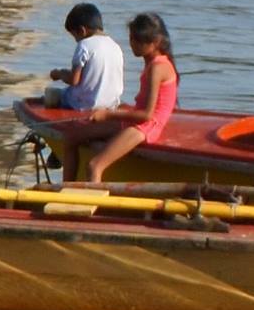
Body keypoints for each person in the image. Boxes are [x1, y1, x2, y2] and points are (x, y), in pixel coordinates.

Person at [53, 13, 180, 183]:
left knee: (94, 165)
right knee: (71, 138)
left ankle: (93, 207)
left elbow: (147, 115)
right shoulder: (151, 62)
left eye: (136, 40)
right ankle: (65, 190)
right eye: (131, 39)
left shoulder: (158, 67)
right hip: (136, 120)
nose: (132, 44)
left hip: (146, 126)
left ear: (155, 42)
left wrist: (108, 115)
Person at [44, 3, 125, 112]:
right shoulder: (115, 46)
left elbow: (74, 80)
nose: (76, 40)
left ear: (82, 30)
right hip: (110, 105)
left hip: (84, 105)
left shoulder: (84, 45)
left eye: (75, 36)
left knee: (52, 95)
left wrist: (60, 74)